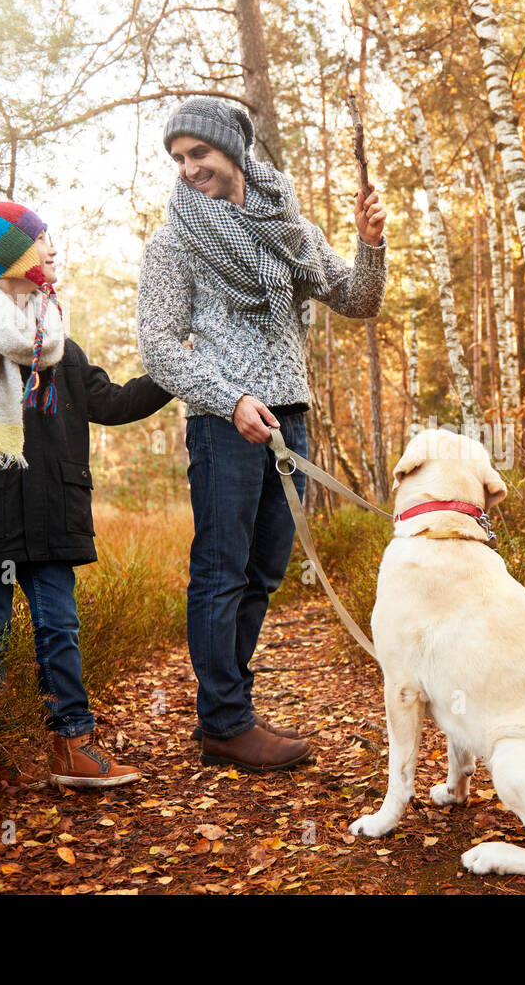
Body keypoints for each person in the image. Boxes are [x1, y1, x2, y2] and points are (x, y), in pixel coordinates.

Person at [137, 97, 388, 772]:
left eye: (201, 154)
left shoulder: (290, 228)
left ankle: (230, 711)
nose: (190, 169)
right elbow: (158, 349)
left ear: (235, 151)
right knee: (220, 574)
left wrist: (370, 244)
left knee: (264, 571)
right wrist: (230, 398)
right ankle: (224, 721)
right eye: (179, 159)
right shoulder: (174, 242)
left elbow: (357, 300)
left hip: (290, 420)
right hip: (226, 426)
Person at [0, 198, 173, 788]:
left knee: (59, 627)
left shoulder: (55, 340)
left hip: (52, 512)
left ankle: (73, 748)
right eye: (42, 242)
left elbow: (110, 402)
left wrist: (176, 373)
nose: (54, 251)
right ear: (10, 257)